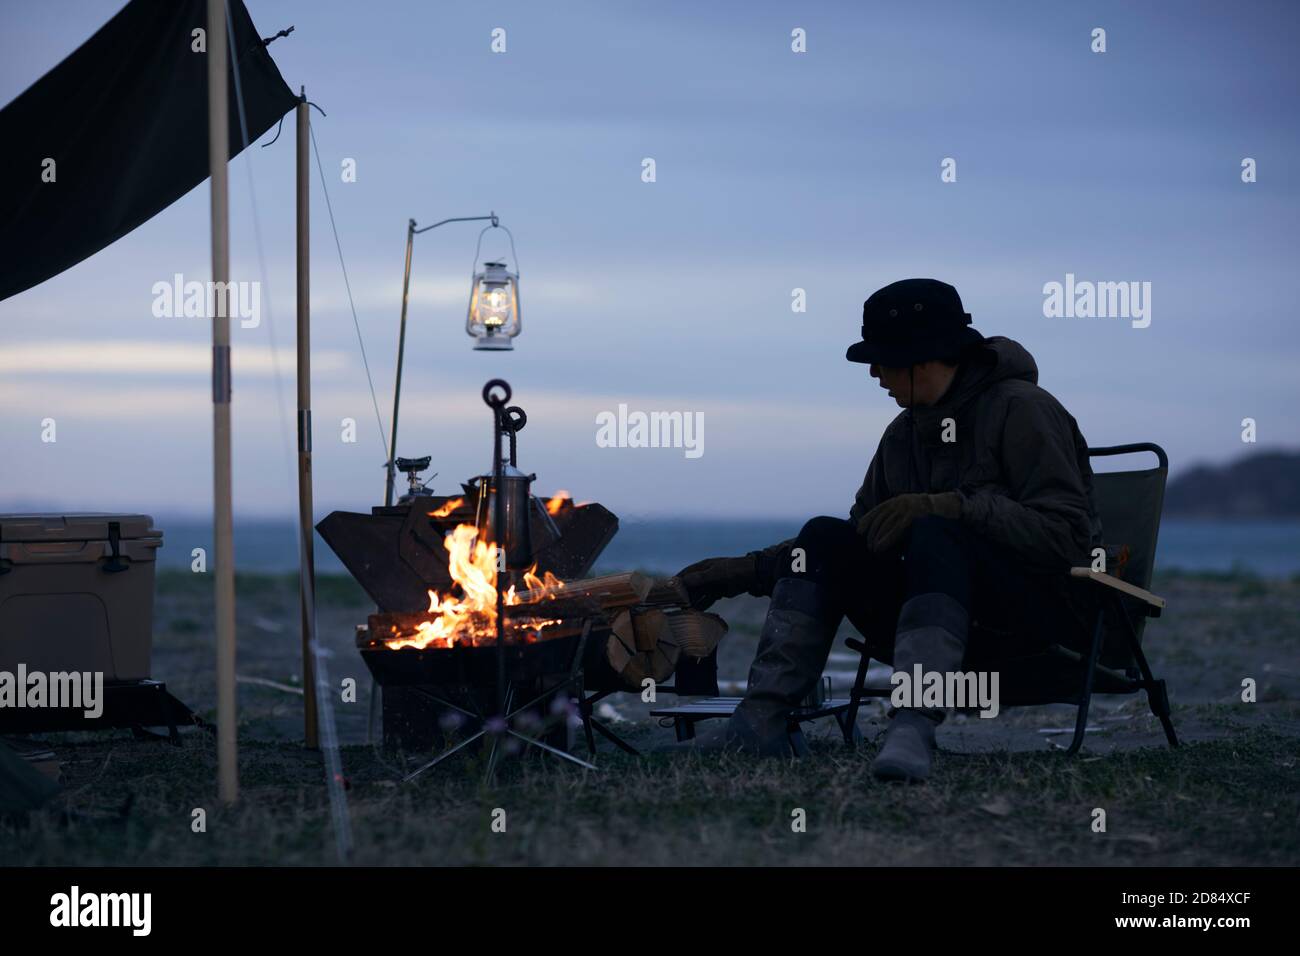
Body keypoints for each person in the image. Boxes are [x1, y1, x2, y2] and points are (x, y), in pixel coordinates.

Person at [672, 278, 1102, 781]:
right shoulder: (904, 435)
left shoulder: (1023, 409)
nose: (875, 373)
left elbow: (1068, 538)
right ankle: (761, 720)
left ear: (925, 356)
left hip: (1033, 616)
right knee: (826, 535)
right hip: (939, 615)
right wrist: (742, 571)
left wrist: (954, 507)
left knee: (937, 530)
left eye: (883, 359)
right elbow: (856, 542)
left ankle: (913, 725)